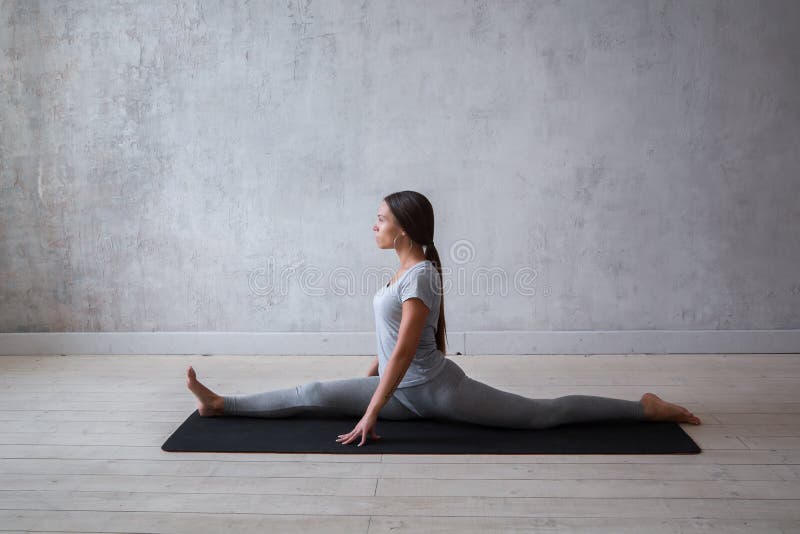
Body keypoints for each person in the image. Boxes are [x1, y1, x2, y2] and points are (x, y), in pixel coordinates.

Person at [187, 190, 701, 447]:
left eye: (382, 219)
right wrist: (366, 382)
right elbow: (391, 344)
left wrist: (368, 413)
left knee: (541, 416)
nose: (374, 225)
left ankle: (644, 409)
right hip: (399, 392)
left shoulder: (422, 278)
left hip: (435, 391)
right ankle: (220, 403)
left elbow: (409, 351)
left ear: (405, 228)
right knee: (314, 392)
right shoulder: (400, 272)